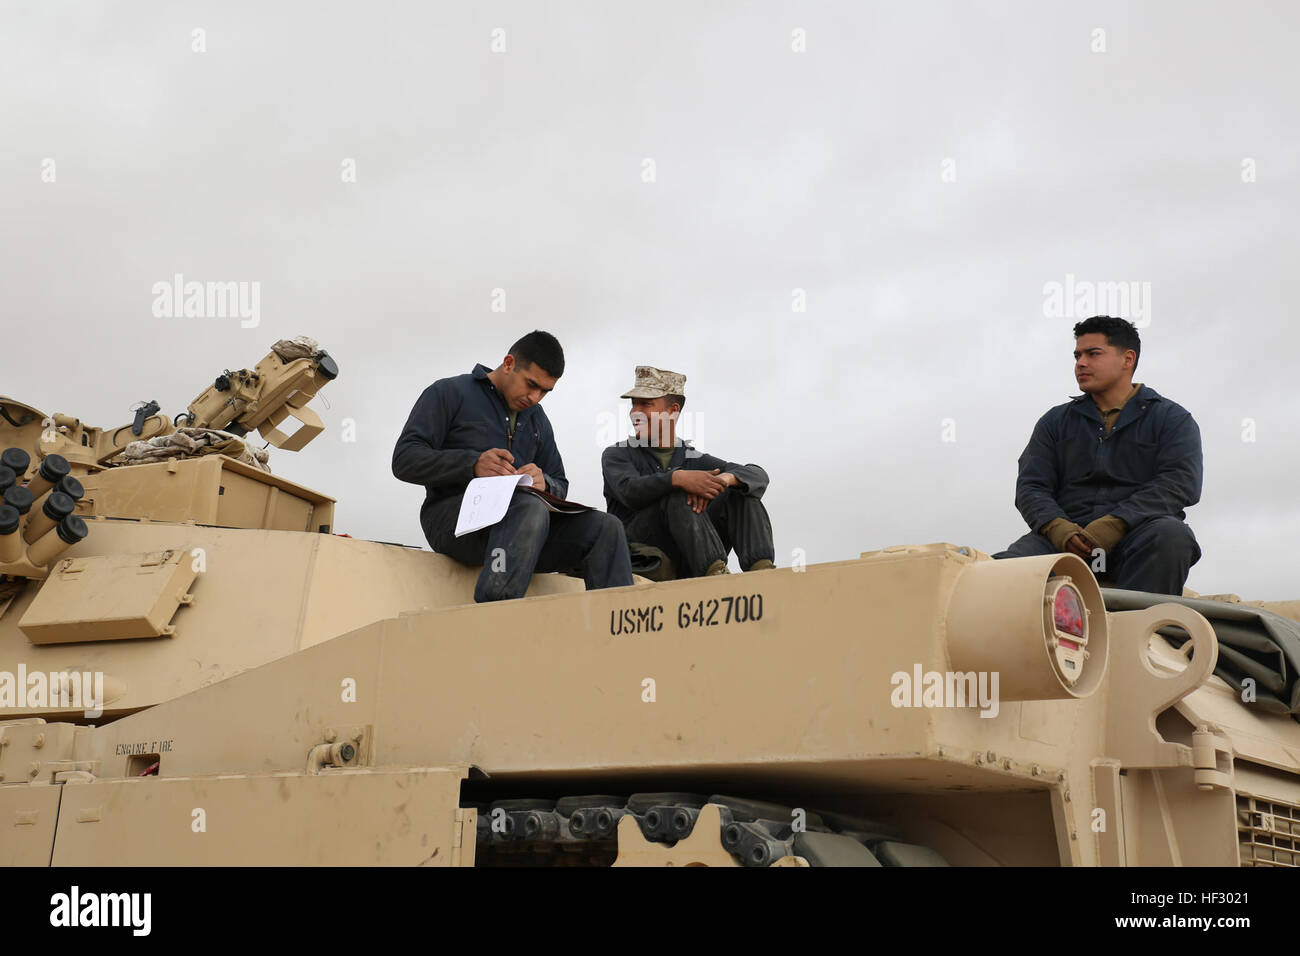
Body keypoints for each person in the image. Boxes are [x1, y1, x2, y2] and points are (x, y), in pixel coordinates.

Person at [392, 330, 633, 602]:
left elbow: (560, 482)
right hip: (454, 523)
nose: (535, 397)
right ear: (508, 363)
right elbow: (404, 459)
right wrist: (472, 465)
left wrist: (545, 482)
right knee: (526, 507)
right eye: (531, 384)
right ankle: (498, 617)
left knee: (607, 527)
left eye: (545, 391)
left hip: (525, 531)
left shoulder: (537, 419)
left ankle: (616, 632)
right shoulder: (448, 392)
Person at [994, 316, 1202, 595]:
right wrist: (1058, 528)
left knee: (1171, 536)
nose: (1081, 363)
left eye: (1093, 354)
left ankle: (1144, 631)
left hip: (1137, 539)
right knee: (997, 572)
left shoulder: (1171, 419)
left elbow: (1180, 482)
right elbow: (1032, 486)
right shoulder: (1055, 422)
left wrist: (1116, 524)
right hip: (1064, 542)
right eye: (1077, 355)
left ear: (1127, 359)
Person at [601, 366, 774, 579]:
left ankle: (763, 573)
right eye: (633, 404)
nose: (635, 412)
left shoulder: (695, 459)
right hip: (643, 557)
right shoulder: (617, 455)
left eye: (645, 404)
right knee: (677, 494)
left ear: (673, 410)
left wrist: (725, 480)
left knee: (741, 491)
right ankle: (716, 574)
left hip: (689, 555)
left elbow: (758, 475)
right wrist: (678, 478)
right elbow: (630, 491)